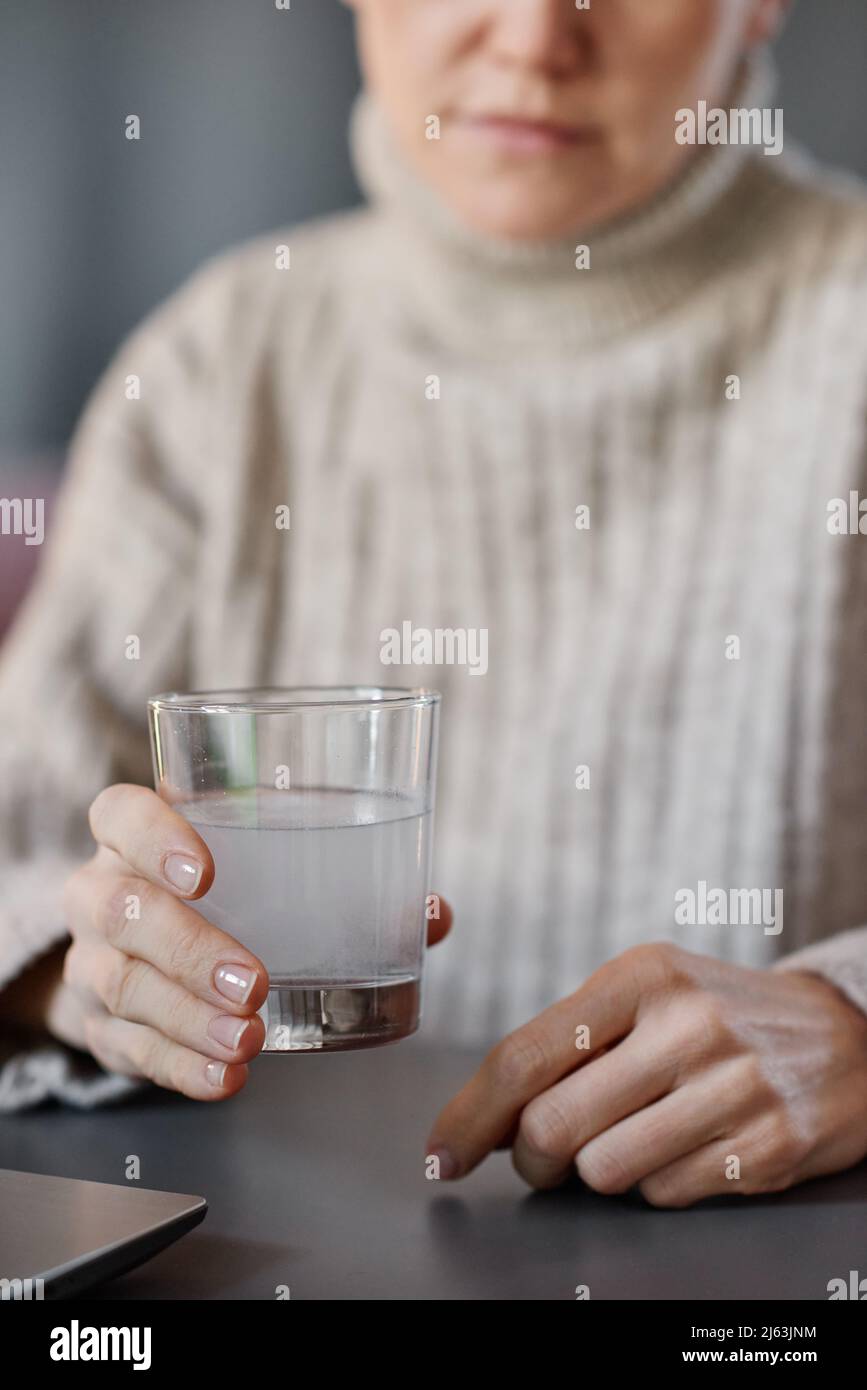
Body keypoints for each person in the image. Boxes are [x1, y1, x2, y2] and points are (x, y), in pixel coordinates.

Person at [2, 0, 867, 1205]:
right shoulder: (219, 366)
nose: (532, 40)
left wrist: (852, 1020)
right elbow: (18, 853)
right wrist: (73, 964)